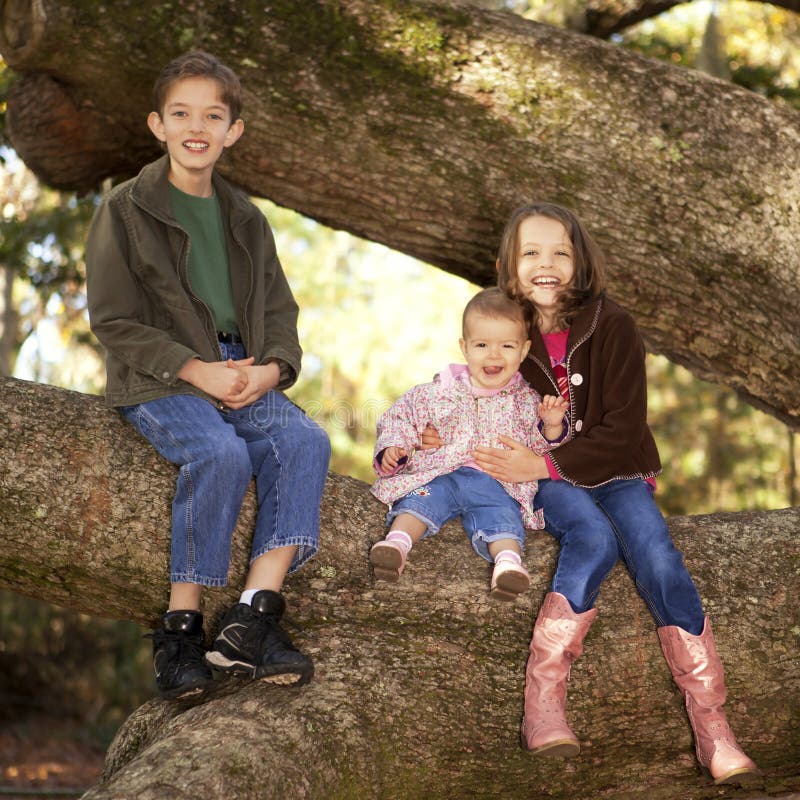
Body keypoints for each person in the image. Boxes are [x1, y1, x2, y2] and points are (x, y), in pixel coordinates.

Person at [466, 201, 756, 784]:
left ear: (580, 262)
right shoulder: (502, 332)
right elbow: (471, 401)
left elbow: (624, 428)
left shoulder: (612, 324)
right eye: (530, 253)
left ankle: (713, 727)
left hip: (616, 472)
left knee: (656, 554)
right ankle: (543, 704)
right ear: (508, 264)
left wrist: (545, 462)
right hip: (547, 482)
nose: (545, 265)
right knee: (593, 540)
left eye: (560, 253)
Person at [85, 51, 330, 699]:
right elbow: (113, 320)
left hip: (242, 371)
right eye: (181, 113)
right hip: (163, 377)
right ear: (157, 125)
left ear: (233, 131)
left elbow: (279, 308)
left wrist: (273, 369)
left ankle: (251, 616)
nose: (197, 126)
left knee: (306, 440)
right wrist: (197, 370)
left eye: (213, 115)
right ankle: (182, 629)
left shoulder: (245, 218)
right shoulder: (126, 209)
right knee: (219, 454)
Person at [370, 287, 568, 600]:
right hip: (443, 475)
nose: (493, 354)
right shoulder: (440, 392)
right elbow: (401, 417)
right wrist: (396, 447)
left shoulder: (527, 402)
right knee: (419, 502)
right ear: (464, 348)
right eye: (481, 344)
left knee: (504, 520)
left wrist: (553, 425)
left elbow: (540, 450)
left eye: (506, 345)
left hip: (497, 484)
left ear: (524, 349)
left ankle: (508, 566)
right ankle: (396, 545)